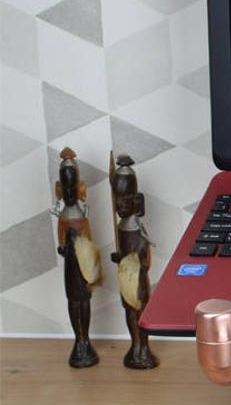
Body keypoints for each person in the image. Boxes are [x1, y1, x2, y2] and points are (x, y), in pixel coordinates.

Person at [53, 148, 100, 368]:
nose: (71, 193)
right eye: (66, 188)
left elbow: (87, 240)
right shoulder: (64, 217)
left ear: (81, 189)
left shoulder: (82, 217)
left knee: (84, 300)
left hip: (82, 266)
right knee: (74, 301)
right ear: (59, 189)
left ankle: (85, 341)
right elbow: (62, 242)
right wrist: (65, 247)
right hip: (71, 267)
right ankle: (80, 341)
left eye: (74, 188)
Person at [110, 155, 158, 369]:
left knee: (139, 309)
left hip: (137, 281)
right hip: (125, 278)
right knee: (129, 310)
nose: (120, 205)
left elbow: (144, 261)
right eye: (117, 199)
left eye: (126, 199)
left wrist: (132, 261)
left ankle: (143, 348)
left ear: (137, 201)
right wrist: (120, 258)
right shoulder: (121, 227)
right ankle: (135, 346)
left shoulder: (138, 230)